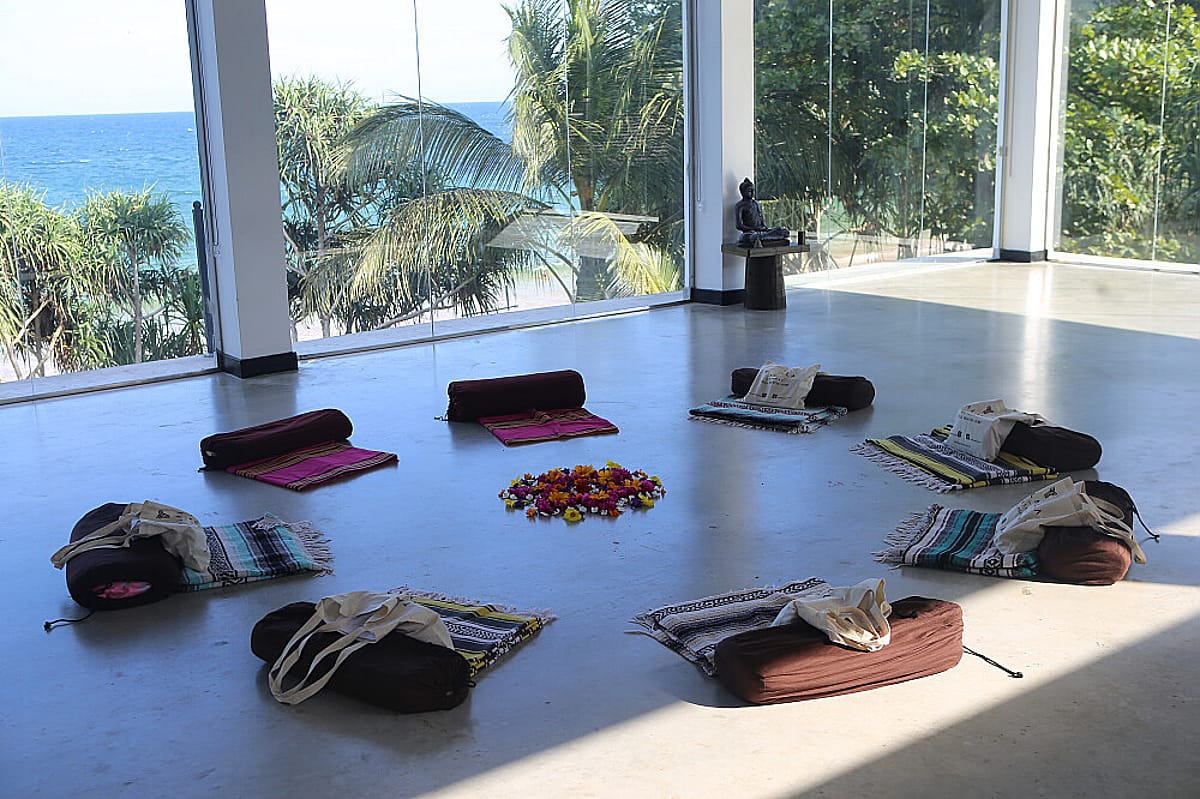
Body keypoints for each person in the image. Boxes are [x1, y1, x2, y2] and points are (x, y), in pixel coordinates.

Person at [734, 178, 790, 247]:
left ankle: (767, 237)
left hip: (762, 232)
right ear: (743, 192)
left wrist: (764, 228)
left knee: (783, 231)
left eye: (753, 190)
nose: (752, 193)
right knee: (754, 237)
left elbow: (762, 222)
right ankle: (767, 237)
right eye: (749, 191)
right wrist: (753, 229)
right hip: (749, 233)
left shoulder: (757, 204)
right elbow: (739, 225)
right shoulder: (740, 206)